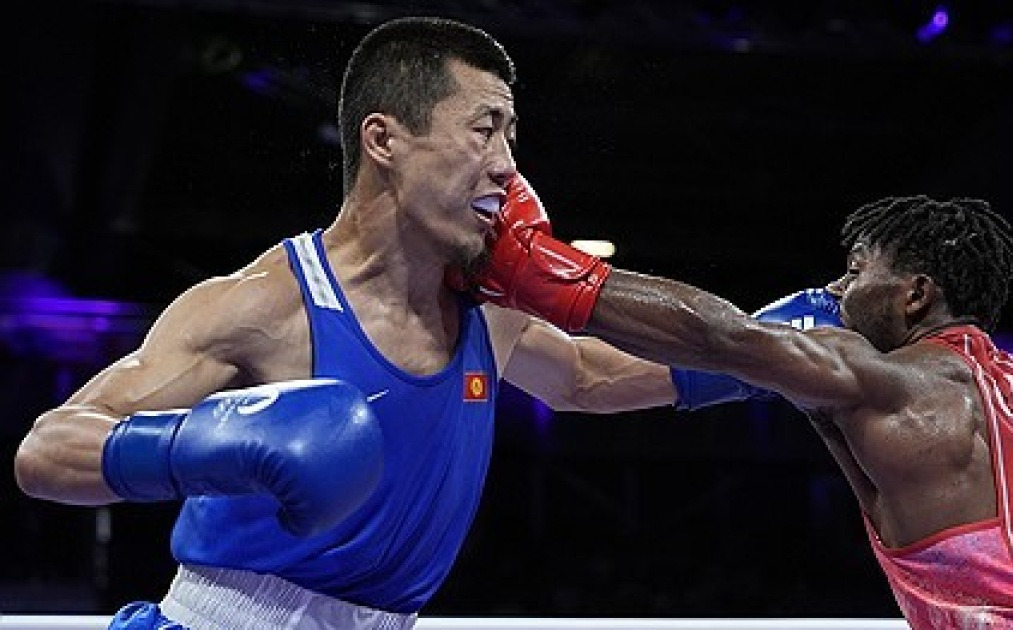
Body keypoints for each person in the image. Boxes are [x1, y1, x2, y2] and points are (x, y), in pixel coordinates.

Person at [15, 16, 833, 629]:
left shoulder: (487, 304)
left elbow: (589, 378)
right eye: (485, 128)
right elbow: (47, 450)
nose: (508, 164)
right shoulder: (266, 304)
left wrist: (775, 357)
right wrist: (198, 446)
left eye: (511, 133)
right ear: (385, 139)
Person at [465, 177, 1013, 629]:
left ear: (915, 293)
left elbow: (719, 337)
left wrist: (523, 263)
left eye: (855, 271)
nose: (838, 292)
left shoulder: (867, 371)